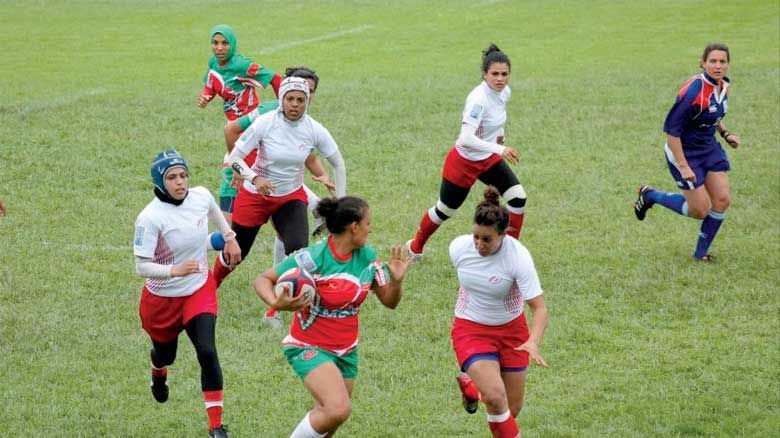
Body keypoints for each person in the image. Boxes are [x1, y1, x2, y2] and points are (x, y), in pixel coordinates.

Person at [253, 195, 413, 437]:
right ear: (354, 227)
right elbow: (263, 279)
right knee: (338, 409)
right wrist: (275, 302)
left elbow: (390, 302)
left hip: (347, 351)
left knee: (330, 422)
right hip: (308, 346)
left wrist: (397, 282)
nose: (370, 229)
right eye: (368, 223)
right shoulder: (314, 257)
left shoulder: (368, 258)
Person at [133, 150, 242, 438]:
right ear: (159, 182)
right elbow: (141, 266)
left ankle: (216, 427)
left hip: (198, 289)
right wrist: (174, 271)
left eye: (183, 175)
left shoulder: (201, 196)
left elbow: (218, 219)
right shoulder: (149, 218)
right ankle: (158, 371)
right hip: (162, 299)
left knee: (207, 351)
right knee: (166, 355)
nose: (180, 182)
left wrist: (230, 239)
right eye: (172, 177)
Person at [223, 66, 340, 328]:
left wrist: (322, 174)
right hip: (254, 181)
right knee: (235, 246)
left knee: (293, 243)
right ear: (282, 95)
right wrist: (243, 172)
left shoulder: (308, 124)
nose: (300, 101)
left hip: (286, 189)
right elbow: (231, 131)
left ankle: (278, 304)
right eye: (294, 96)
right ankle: (209, 256)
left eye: (309, 94)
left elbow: (307, 154)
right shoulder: (266, 114)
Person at [405, 43, 526, 262]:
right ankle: (414, 247)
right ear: (484, 74)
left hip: (487, 159)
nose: (500, 79)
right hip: (464, 161)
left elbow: (497, 119)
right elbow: (466, 138)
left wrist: (500, 136)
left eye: (504, 74)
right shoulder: (478, 100)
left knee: (518, 199)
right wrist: (501, 149)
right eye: (495, 74)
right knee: (445, 211)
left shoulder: (504, 92)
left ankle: (508, 255)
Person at [450, 187, 548, 438]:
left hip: (513, 333)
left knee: (510, 409)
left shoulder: (518, 257)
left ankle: (473, 389)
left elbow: (539, 308)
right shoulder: (459, 248)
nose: (479, 244)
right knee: (495, 396)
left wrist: (534, 342)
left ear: (503, 234)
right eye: (476, 236)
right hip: (471, 329)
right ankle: (481, 388)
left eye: (487, 239)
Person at [634, 43, 740, 262]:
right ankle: (650, 195)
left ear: (728, 65)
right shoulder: (693, 93)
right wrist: (683, 166)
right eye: (712, 61)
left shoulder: (724, 86)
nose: (718, 66)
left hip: (709, 149)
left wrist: (726, 134)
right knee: (699, 210)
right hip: (685, 153)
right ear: (703, 63)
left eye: (722, 62)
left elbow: (714, 115)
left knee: (722, 200)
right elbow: (672, 133)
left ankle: (700, 255)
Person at [198, 24, 283, 223]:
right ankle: (232, 229)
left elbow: (274, 77)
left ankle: (229, 230)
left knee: (234, 171)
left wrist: (284, 106)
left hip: (249, 125)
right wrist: (205, 96)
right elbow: (211, 84)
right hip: (235, 127)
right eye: (215, 43)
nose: (219, 48)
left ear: (233, 44)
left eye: (225, 43)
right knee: (248, 173)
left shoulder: (241, 64)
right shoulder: (214, 63)